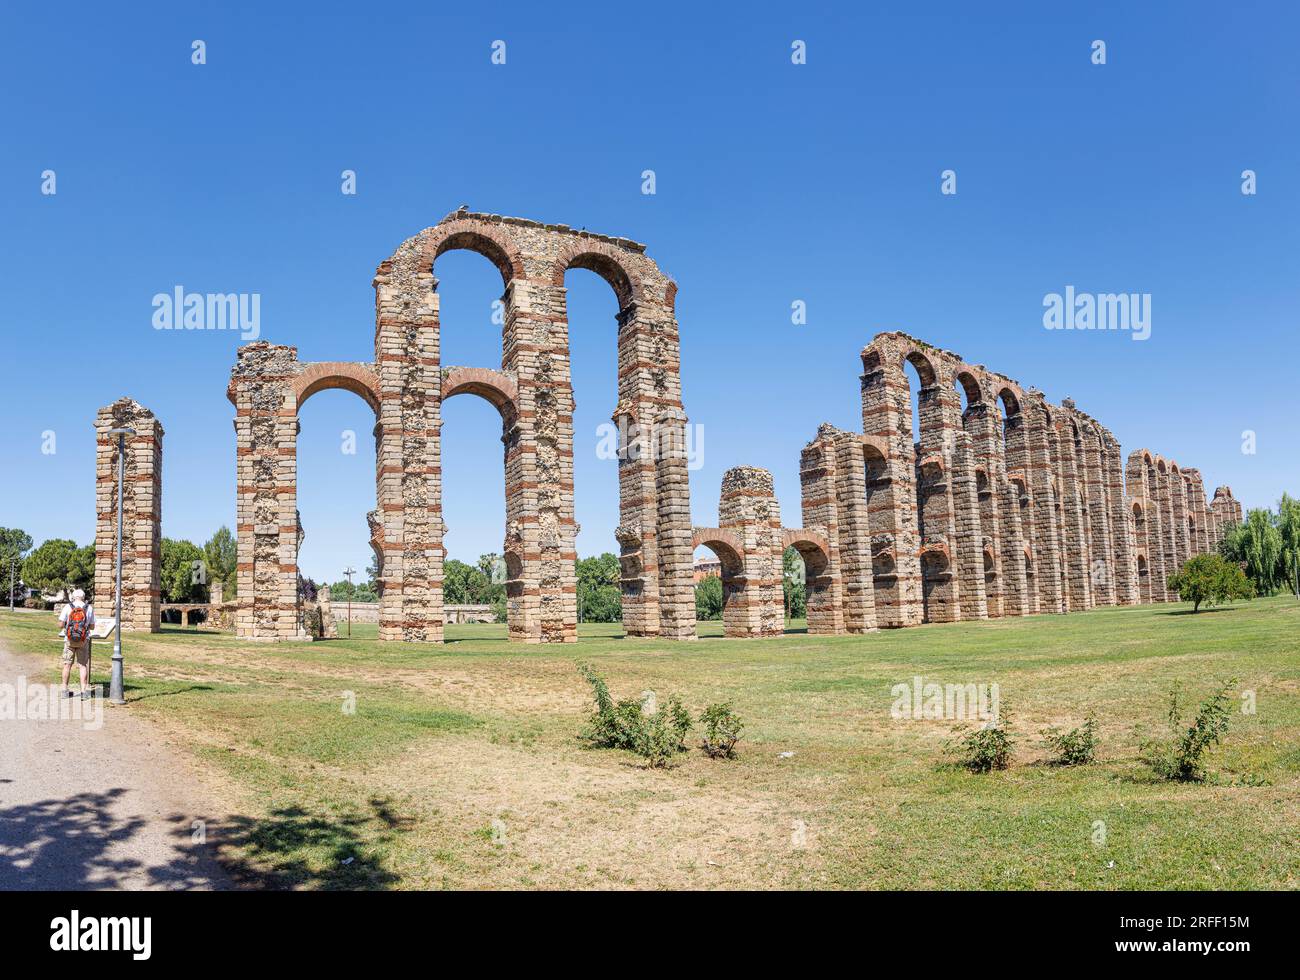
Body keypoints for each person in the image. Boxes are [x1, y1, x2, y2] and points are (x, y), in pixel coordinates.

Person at [58, 588, 95, 699]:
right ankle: (83, 692)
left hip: (69, 640)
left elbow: (60, 624)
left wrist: (67, 627)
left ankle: (64, 690)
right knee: (83, 665)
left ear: (73, 597)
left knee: (67, 665)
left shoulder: (68, 607)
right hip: (83, 640)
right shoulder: (89, 608)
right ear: (83, 597)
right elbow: (92, 626)